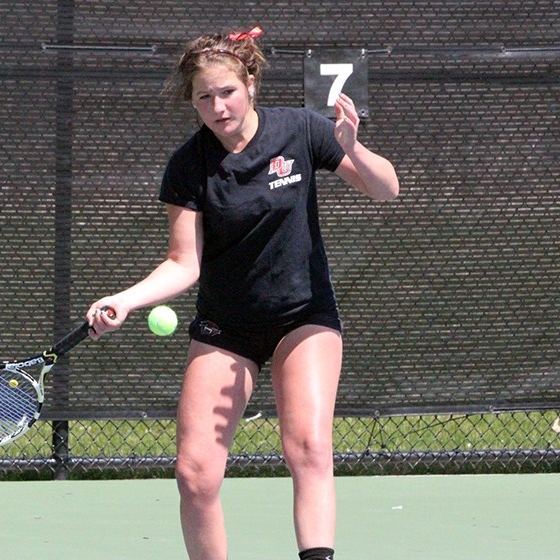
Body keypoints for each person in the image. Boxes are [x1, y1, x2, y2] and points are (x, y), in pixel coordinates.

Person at [85, 26, 399, 560]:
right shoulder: (189, 165)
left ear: (250, 83)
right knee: (195, 474)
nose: (216, 106)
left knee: (309, 449)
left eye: (225, 92)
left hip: (304, 316)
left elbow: (386, 188)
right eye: (203, 97)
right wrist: (127, 299)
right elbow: (185, 262)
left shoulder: (300, 130)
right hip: (226, 327)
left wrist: (353, 148)